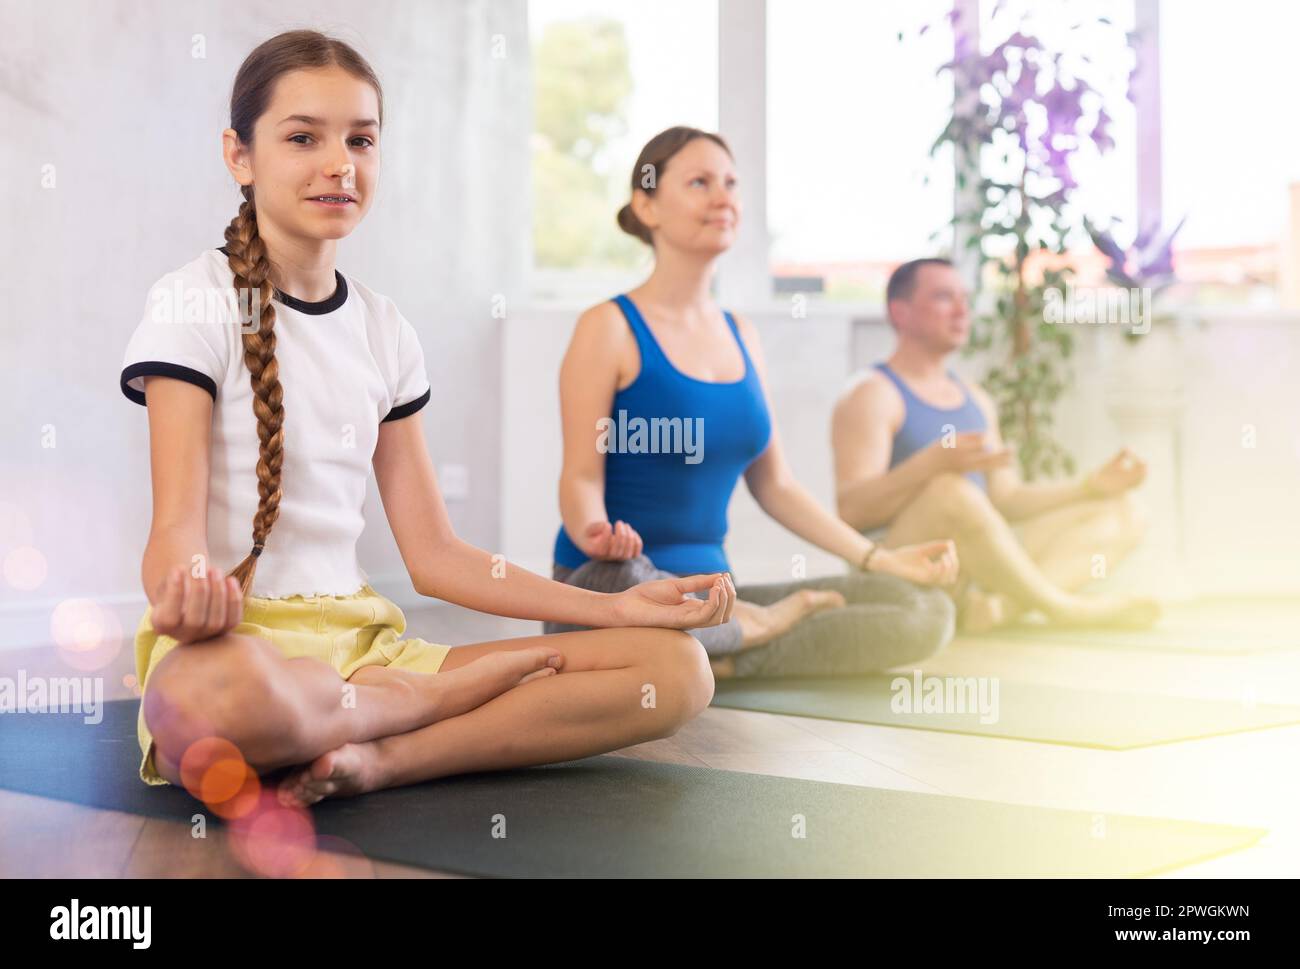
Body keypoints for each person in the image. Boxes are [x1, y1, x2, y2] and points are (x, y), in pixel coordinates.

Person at [120, 31, 737, 807]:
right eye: (302, 137)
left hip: (368, 652)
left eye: (361, 139)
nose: (339, 162)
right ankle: (413, 707)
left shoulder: (385, 329)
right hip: (238, 657)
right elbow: (173, 528)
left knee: (678, 671)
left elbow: (436, 554)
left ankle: (382, 759)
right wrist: (185, 593)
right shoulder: (193, 301)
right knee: (208, 701)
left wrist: (612, 607)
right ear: (239, 155)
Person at [545, 127, 960, 679]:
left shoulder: (742, 335)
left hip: (714, 598)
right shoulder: (608, 327)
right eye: (699, 183)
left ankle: (721, 653)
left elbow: (777, 486)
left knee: (921, 609)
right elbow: (579, 477)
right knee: (633, 590)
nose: (724, 198)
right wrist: (595, 530)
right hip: (609, 584)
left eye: (731, 183)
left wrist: (878, 558)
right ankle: (736, 639)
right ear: (647, 205)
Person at [831, 257, 1158, 632]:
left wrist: (1089, 487)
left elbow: (1006, 499)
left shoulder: (976, 399)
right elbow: (852, 511)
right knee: (949, 491)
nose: (961, 311)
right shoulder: (872, 394)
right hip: (902, 567)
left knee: (1123, 511)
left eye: (964, 299)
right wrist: (932, 463)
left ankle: (999, 609)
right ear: (900, 312)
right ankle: (1065, 608)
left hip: (975, 565)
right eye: (943, 298)